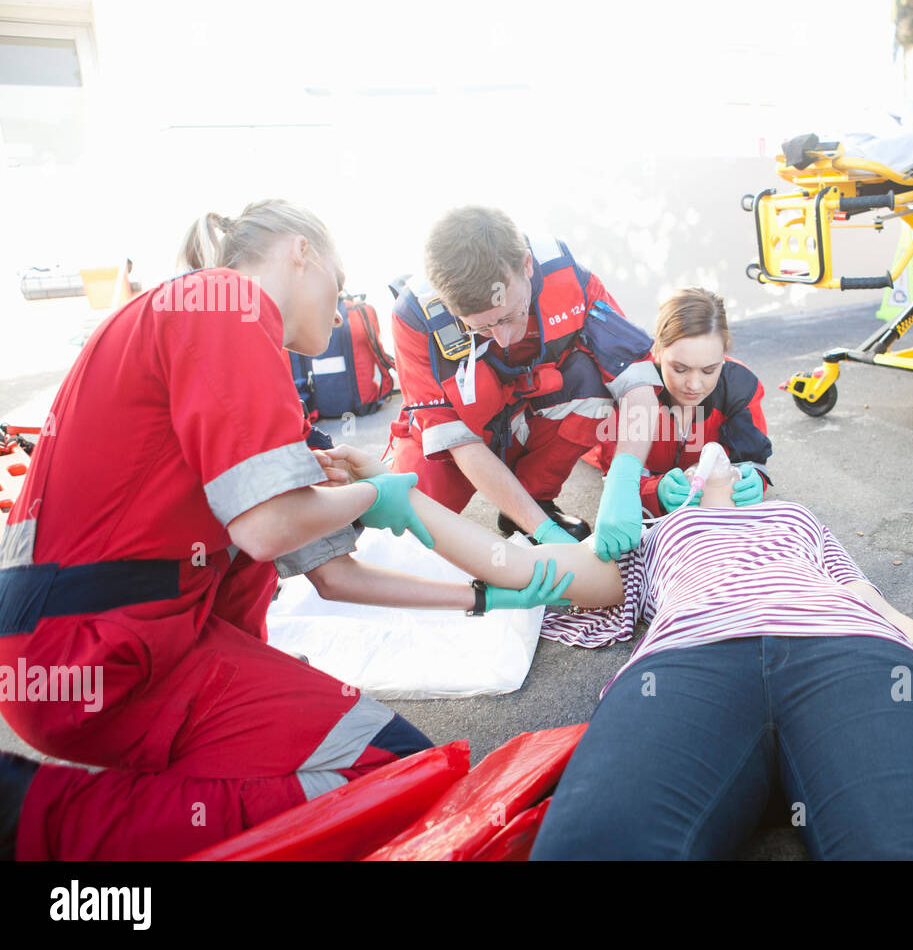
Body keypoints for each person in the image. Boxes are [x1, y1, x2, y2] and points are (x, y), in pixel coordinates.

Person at [0, 201, 568, 861]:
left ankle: (164, 805)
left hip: (110, 644)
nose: (336, 316)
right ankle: (35, 817)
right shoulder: (222, 304)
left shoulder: (212, 336)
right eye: (338, 281)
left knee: (403, 766)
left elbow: (335, 574)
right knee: (389, 773)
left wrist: (480, 599)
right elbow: (268, 528)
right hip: (93, 651)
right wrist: (370, 495)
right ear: (300, 252)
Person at [317, 444, 913, 860]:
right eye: (703, 463)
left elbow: (887, 612)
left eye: (730, 462)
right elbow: (522, 570)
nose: (717, 460)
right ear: (674, 495)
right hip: (688, 673)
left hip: (851, 655)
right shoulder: (650, 537)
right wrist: (401, 501)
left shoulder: (796, 518)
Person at [388, 206, 661, 560]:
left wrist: (626, 476)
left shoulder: (570, 279)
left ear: (527, 266)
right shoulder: (414, 318)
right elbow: (454, 440)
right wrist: (545, 533)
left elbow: (636, 380)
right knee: (403, 540)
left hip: (529, 416)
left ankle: (532, 502)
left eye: (509, 316)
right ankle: (534, 521)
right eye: (482, 327)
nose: (501, 338)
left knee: (591, 378)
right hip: (461, 440)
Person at [595, 287, 773, 516]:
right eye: (680, 369)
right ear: (657, 350)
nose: (694, 385)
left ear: (723, 356)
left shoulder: (741, 387)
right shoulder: (630, 389)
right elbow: (616, 480)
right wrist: (655, 492)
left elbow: (753, 462)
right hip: (591, 446)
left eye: (709, 370)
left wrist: (755, 480)